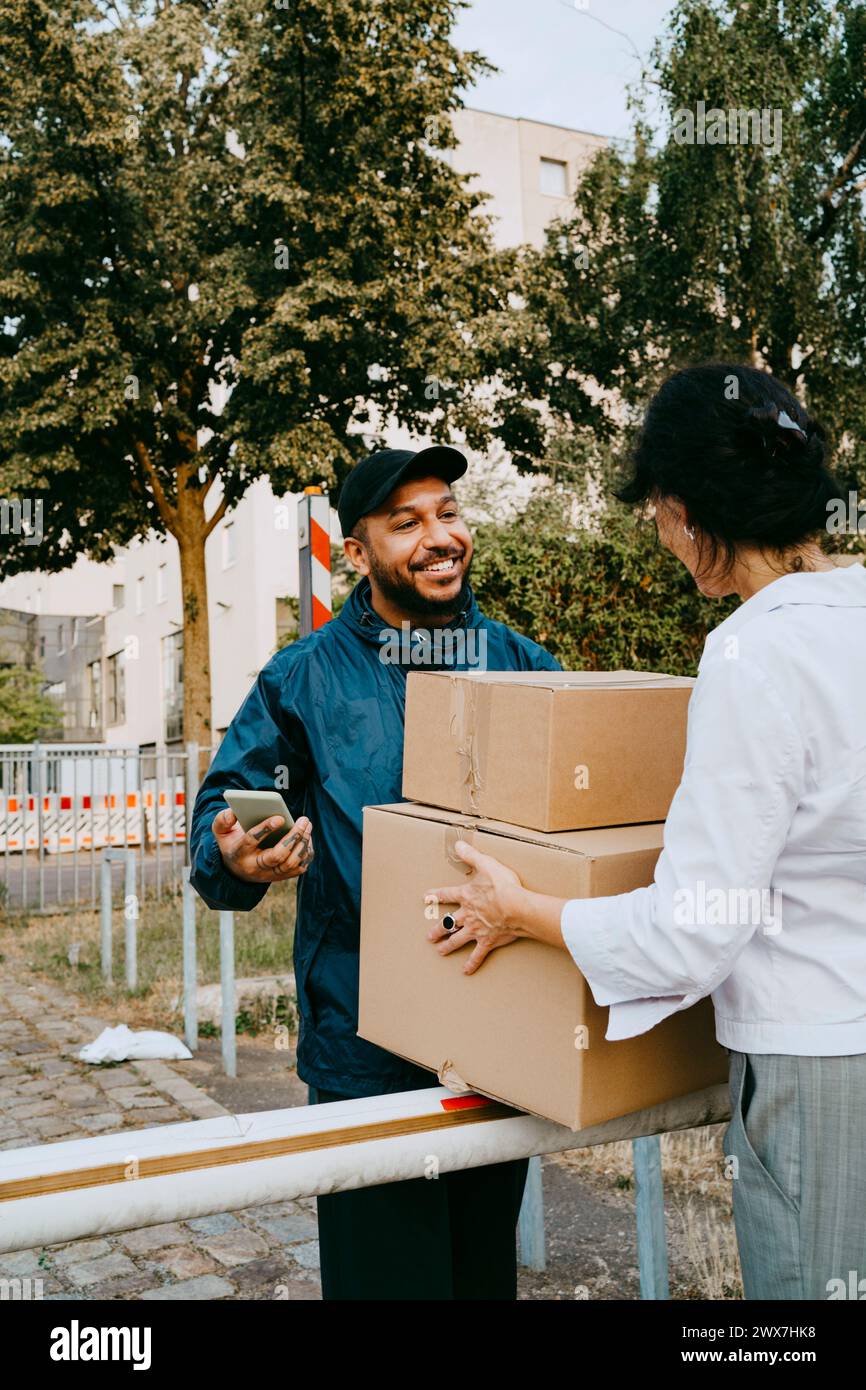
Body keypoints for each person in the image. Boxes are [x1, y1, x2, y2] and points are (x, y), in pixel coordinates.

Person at [425, 363, 866, 1302]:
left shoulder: (754, 652)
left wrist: (524, 910)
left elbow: (698, 925)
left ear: (691, 514)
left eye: (659, 511)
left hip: (821, 1069)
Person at [189, 444, 561, 1300]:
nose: (440, 537)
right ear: (356, 552)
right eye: (407, 523)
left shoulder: (523, 666)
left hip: (495, 1033)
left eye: (449, 514)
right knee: (384, 1288)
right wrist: (238, 857)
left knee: (478, 1281)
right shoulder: (301, 677)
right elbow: (220, 834)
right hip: (362, 1044)